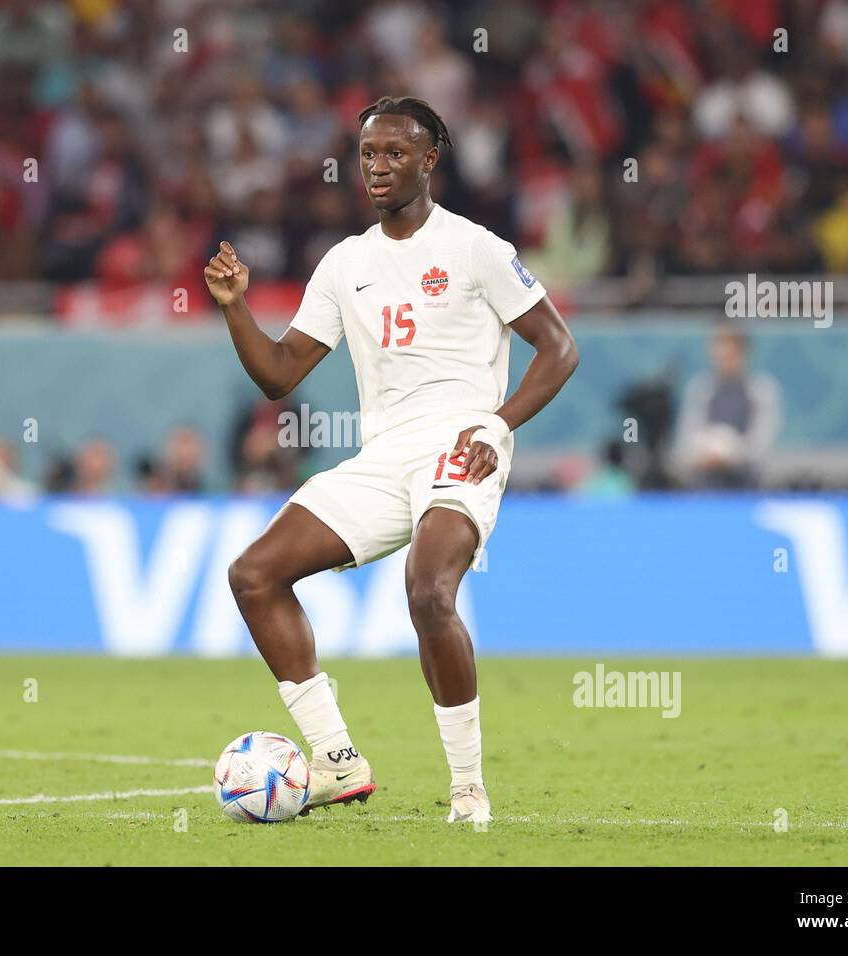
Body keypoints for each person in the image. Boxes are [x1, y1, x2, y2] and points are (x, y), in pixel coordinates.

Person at [204, 96, 578, 824]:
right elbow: (280, 373)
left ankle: (468, 788)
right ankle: (338, 762)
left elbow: (559, 349)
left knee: (427, 590)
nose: (378, 167)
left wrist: (497, 428)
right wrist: (234, 307)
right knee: (254, 574)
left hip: (461, 446)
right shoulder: (346, 263)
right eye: (369, 154)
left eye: (395, 154)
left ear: (429, 161)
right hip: (383, 457)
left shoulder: (476, 248)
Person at [674, 325, 781, 489]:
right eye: (718, 350)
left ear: (743, 352)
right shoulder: (701, 389)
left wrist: (728, 453)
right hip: (704, 485)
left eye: (730, 352)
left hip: (746, 484)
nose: (723, 357)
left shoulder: (761, 390)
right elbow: (686, 441)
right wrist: (705, 453)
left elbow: (761, 444)